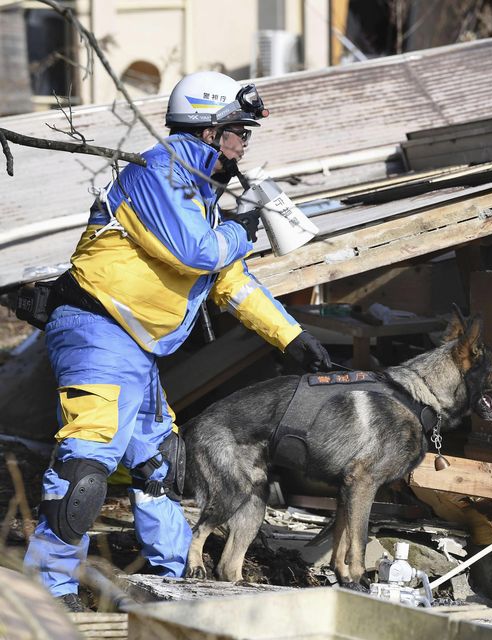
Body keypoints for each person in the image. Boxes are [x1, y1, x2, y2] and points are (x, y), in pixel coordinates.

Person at [22, 71, 331, 611]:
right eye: (239, 130)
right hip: (97, 330)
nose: (245, 142)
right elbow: (196, 252)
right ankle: (47, 593)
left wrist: (294, 338)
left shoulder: (200, 195)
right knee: (87, 464)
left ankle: (175, 582)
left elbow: (230, 283)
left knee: (160, 463)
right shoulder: (160, 170)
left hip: (136, 347)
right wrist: (244, 227)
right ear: (209, 130)